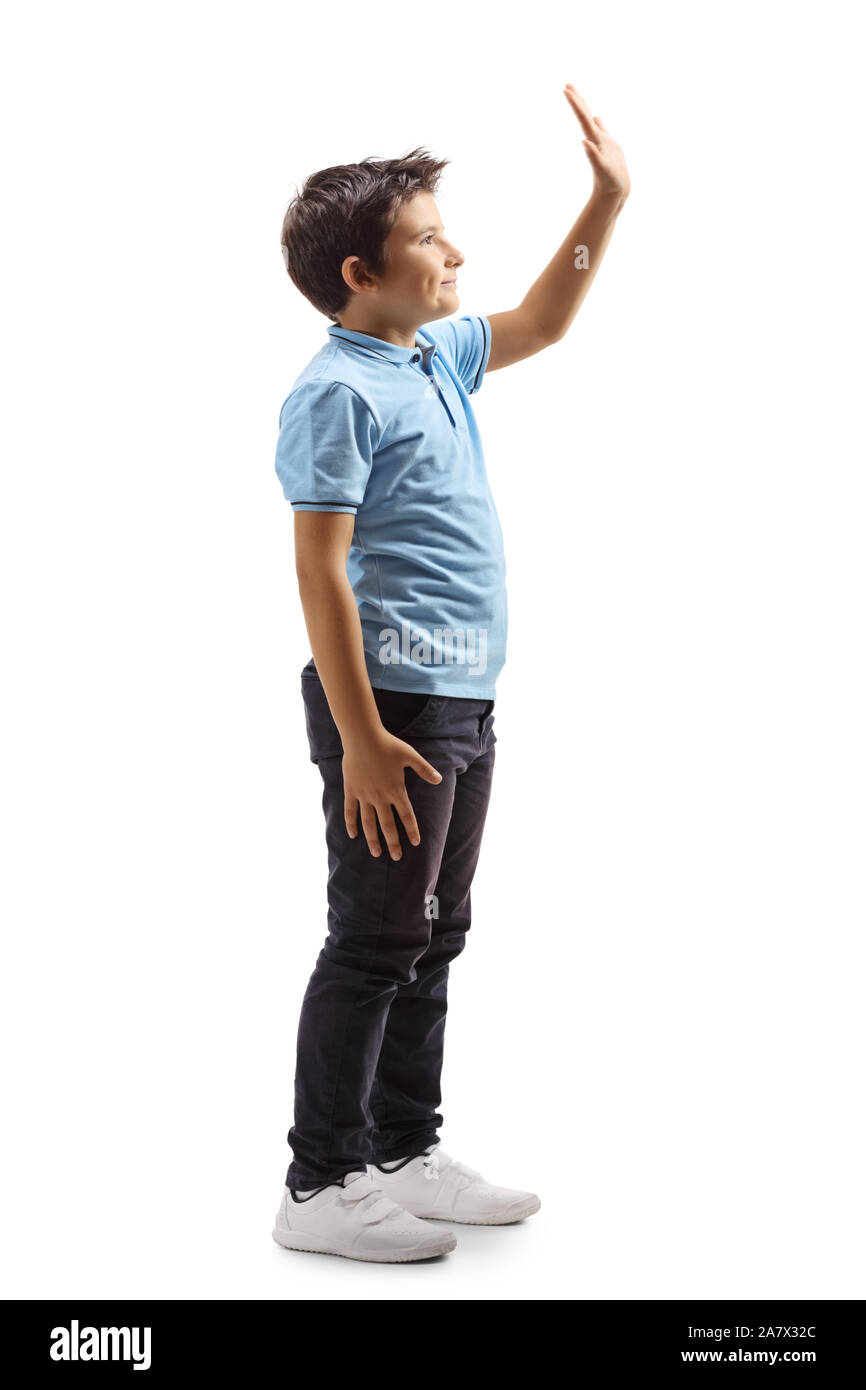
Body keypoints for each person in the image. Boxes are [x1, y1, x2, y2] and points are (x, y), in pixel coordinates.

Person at [271, 82, 630, 1263]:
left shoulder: (429, 355)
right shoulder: (334, 390)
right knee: (372, 936)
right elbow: (321, 574)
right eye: (426, 239)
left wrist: (604, 199)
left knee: (434, 928)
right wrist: (365, 736)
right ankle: (319, 1181)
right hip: (392, 704)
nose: (453, 252)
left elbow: (541, 318)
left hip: (461, 697)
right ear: (357, 276)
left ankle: (401, 1148)